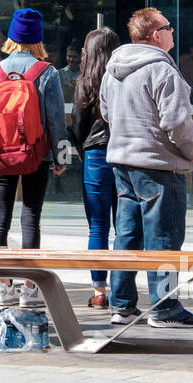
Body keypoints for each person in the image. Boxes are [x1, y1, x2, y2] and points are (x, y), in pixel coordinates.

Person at [101, 7, 193, 328]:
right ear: (156, 35)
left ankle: (122, 304)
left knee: (127, 235)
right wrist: (192, 153)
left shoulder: (114, 69)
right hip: (158, 165)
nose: (173, 31)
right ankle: (164, 308)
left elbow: (105, 112)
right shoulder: (163, 71)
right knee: (164, 237)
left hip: (122, 163)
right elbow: (176, 122)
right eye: (168, 27)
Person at [0, 7, 67, 309]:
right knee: (31, 216)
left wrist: (0, 138)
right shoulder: (46, 72)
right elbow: (56, 121)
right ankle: (30, 288)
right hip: (36, 155)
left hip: (2, 155)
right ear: (38, 39)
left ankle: (3, 287)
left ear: (11, 37)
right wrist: (61, 157)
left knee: (1, 217)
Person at [70, 26, 120, 310]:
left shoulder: (85, 83)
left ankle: (99, 290)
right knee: (125, 225)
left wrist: (83, 151)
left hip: (96, 157)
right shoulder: (123, 78)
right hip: (124, 156)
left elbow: (77, 127)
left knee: (98, 226)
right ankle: (124, 289)